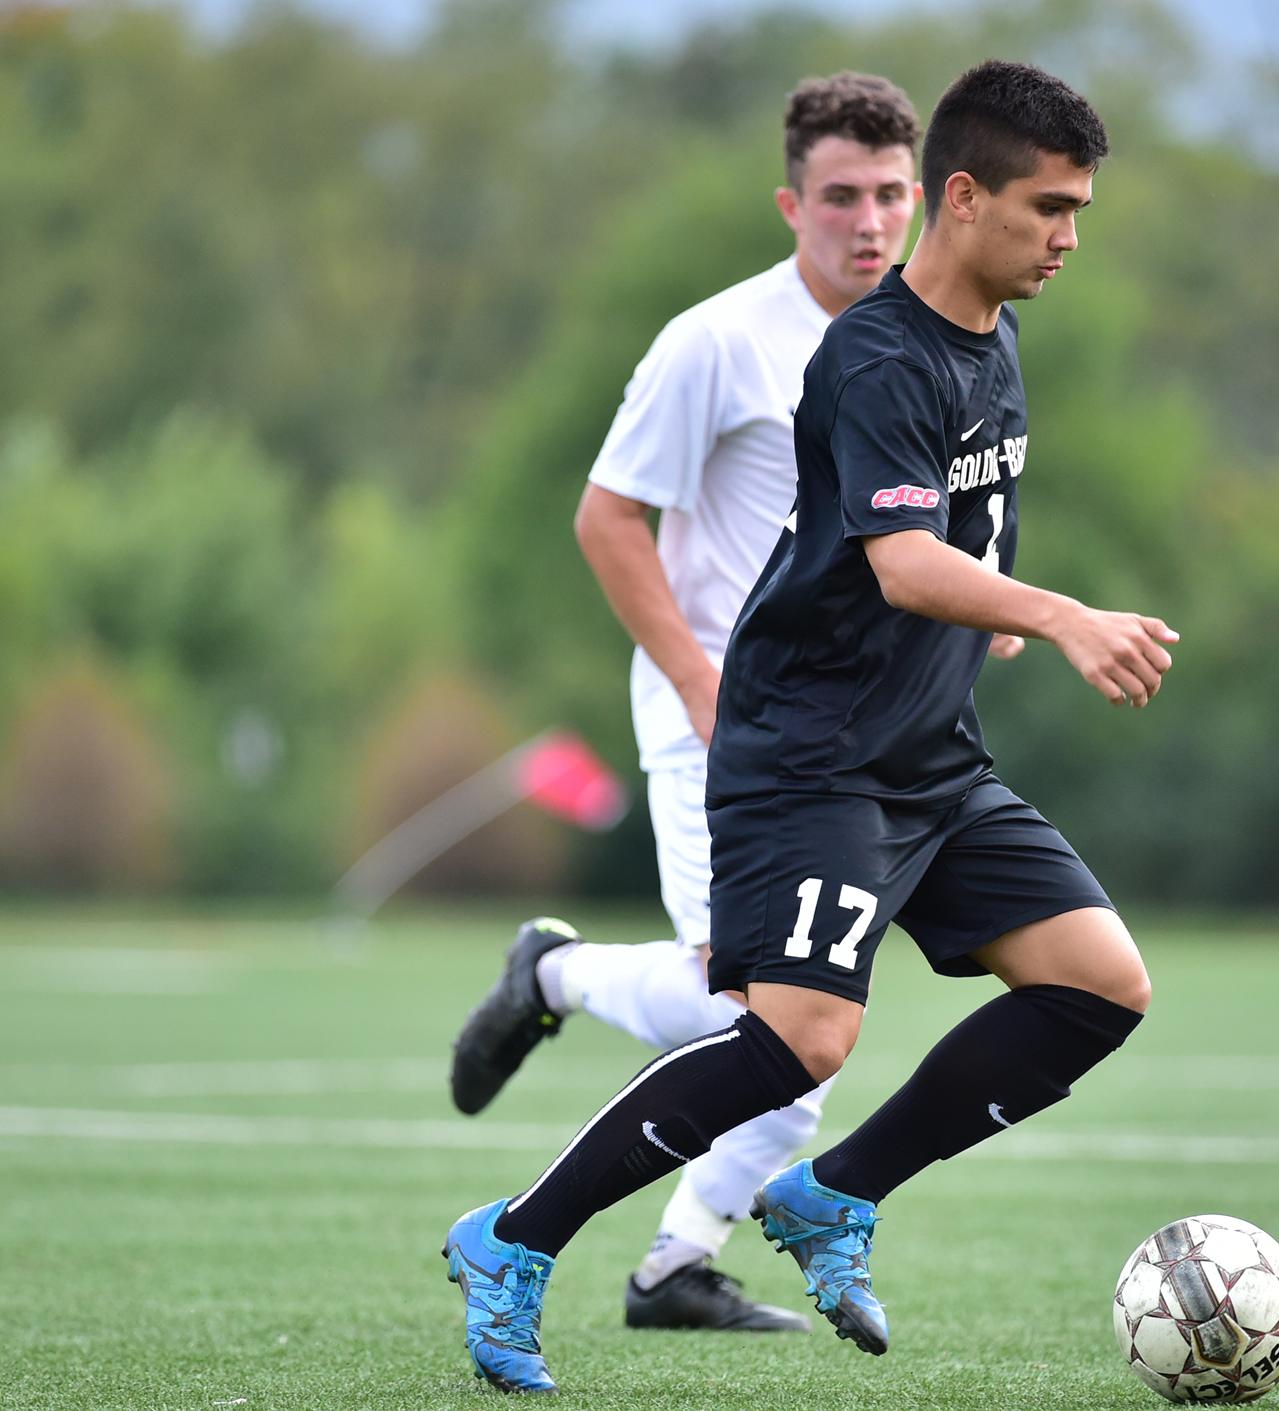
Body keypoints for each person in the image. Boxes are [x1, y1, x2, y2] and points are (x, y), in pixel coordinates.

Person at [442, 60, 1175, 1394]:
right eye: (1050, 207)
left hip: (929, 757)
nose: (1070, 236)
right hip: (809, 752)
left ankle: (833, 1193)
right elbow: (900, 560)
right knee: (798, 1037)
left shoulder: (996, 341)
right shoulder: (872, 354)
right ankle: (512, 1237)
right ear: (966, 199)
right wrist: (1062, 615)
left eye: (1080, 208)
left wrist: (1002, 608)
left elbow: (966, 533)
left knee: (1098, 983)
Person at [446, 72, 934, 1336]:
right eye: (841, 197)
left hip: (850, 731)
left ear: (923, 196)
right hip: (715, 717)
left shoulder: (919, 340)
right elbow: (606, 519)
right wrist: (701, 682)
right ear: (791, 203)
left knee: (803, 1019)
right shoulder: (715, 341)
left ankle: (671, 1260)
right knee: (761, 1008)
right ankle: (556, 986)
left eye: (891, 195)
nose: (869, 221)